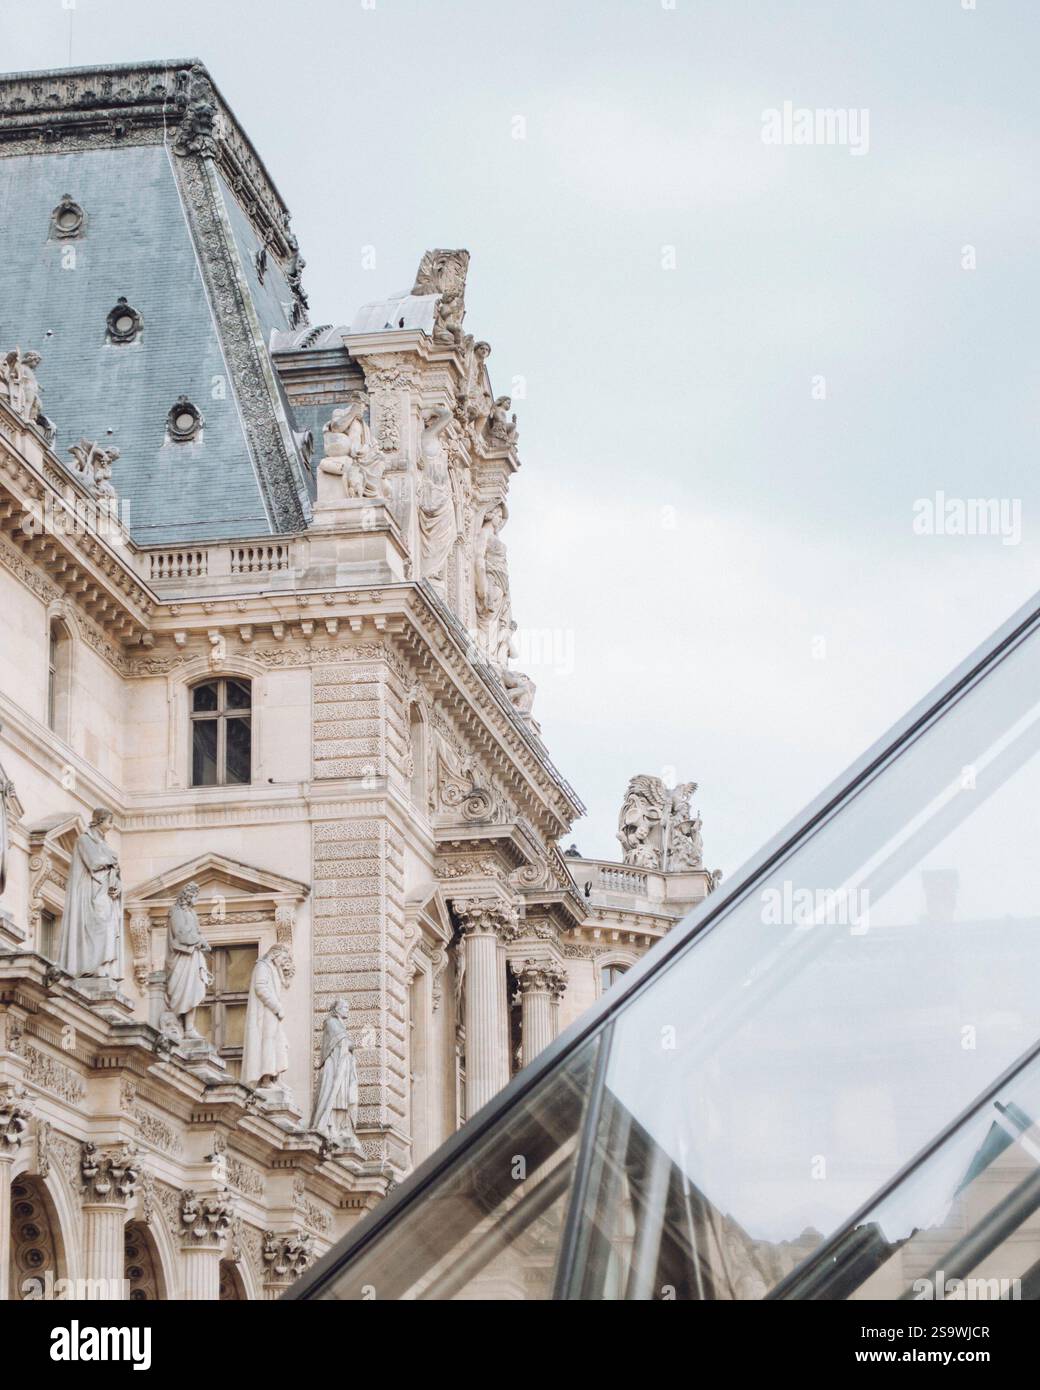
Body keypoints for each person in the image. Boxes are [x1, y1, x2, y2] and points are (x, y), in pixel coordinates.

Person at [57, 808, 123, 979]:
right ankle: (91, 966)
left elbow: (115, 871)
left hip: (105, 892)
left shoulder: (104, 844)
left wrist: (118, 886)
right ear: (99, 820)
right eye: (109, 821)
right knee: (99, 926)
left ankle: (102, 967)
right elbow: (94, 862)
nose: (112, 825)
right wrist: (112, 860)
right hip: (90, 894)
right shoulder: (84, 840)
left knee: (108, 927)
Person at [309, 998, 361, 1152]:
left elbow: (346, 1043)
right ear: (337, 1008)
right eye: (345, 1007)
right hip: (334, 1068)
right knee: (333, 1095)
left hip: (342, 1067)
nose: (347, 1010)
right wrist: (350, 1045)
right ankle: (330, 1126)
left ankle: (340, 1127)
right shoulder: (331, 1022)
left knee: (343, 1098)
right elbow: (343, 1042)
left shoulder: (338, 1023)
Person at [163, 882, 211, 1040]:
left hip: (192, 957)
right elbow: (181, 935)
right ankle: (175, 1024)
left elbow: (196, 932)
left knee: (194, 990)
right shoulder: (176, 912)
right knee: (180, 991)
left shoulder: (192, 913)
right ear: (188, 896)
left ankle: (189, 1027)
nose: (196, 899)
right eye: (195, 896)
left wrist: (201, 940)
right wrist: (199, 940)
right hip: (181, 958)